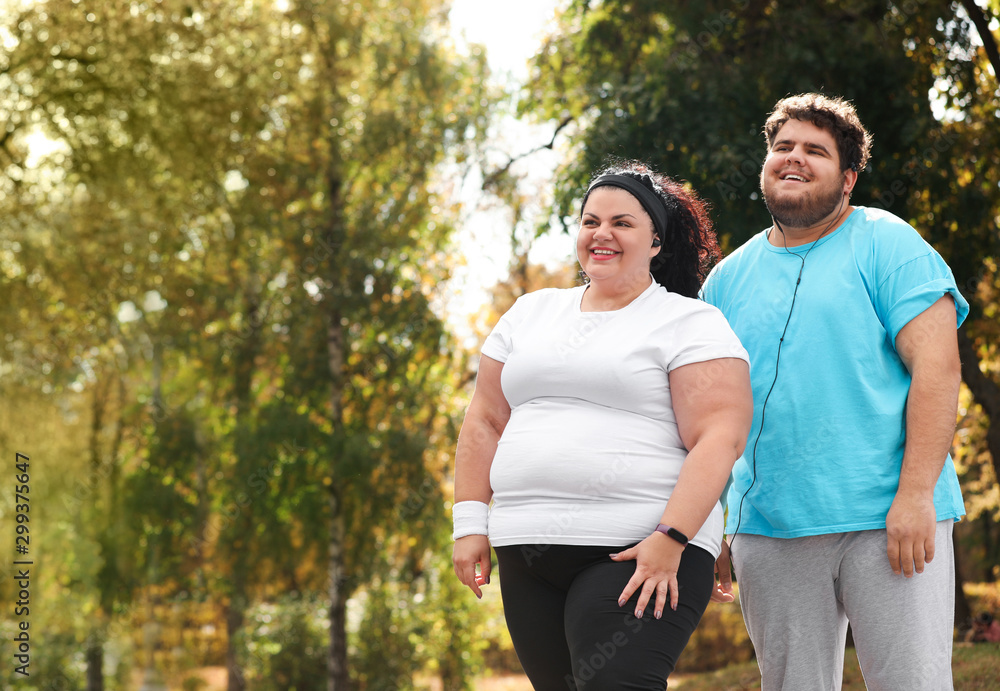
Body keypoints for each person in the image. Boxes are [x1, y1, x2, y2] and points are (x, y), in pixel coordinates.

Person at [701, 93, 969, 690]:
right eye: (782, 147)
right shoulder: (724, 281)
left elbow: (937, 368)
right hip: (767, 531)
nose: (794, 158)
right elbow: (712, 417)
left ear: (847, 178)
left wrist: (916, 495)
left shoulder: (887, 242)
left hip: (888, 520)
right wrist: (708, 524)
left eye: (814, 150)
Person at [452, 161, 753, 689]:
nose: (602, 233)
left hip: (639, 548)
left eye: (622, 222)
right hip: (528, 550)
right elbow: (484, 418)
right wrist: (470, 523)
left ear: (657, 242)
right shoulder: (529, 313)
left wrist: (672, 536)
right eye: (590, 221)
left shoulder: (691, 322)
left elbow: (719, 437)